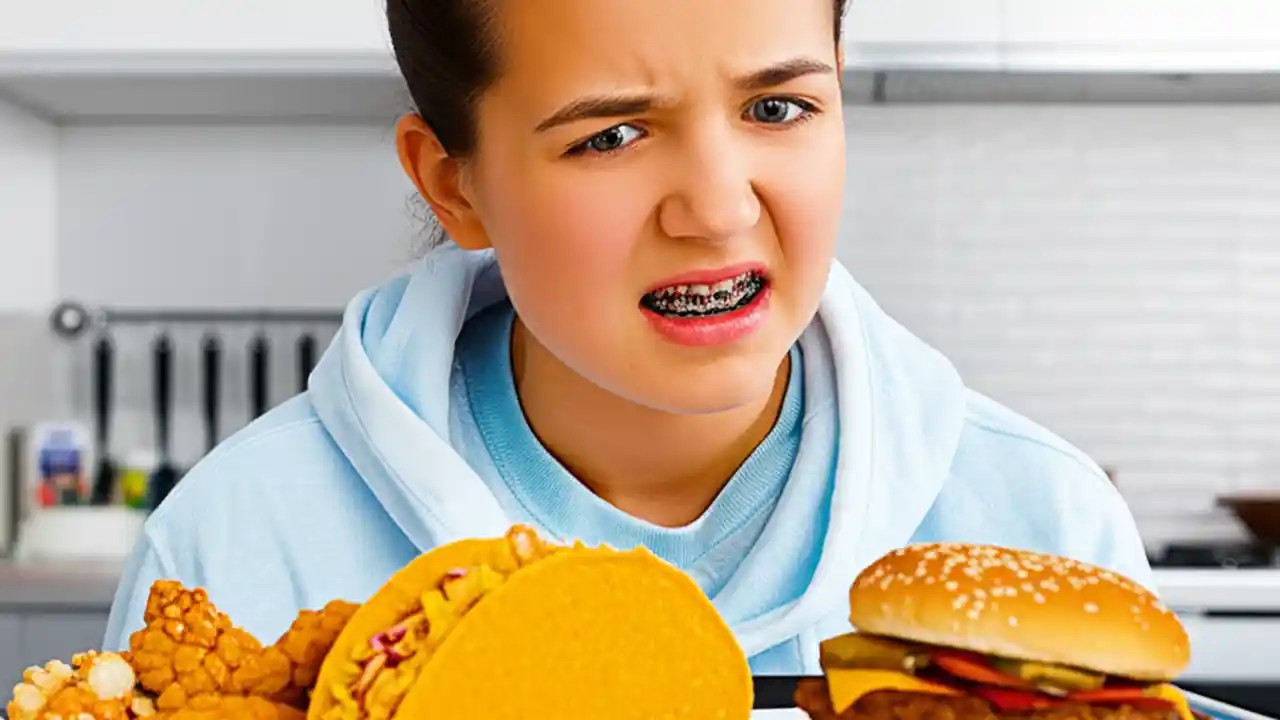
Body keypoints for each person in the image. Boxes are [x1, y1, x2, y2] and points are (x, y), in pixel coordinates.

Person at [103, 0, 1152, 674]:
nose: (716, 208)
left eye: (778, 108)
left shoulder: (1039, 524)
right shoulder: (234, 552)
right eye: (610, 135)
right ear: (450, 182)